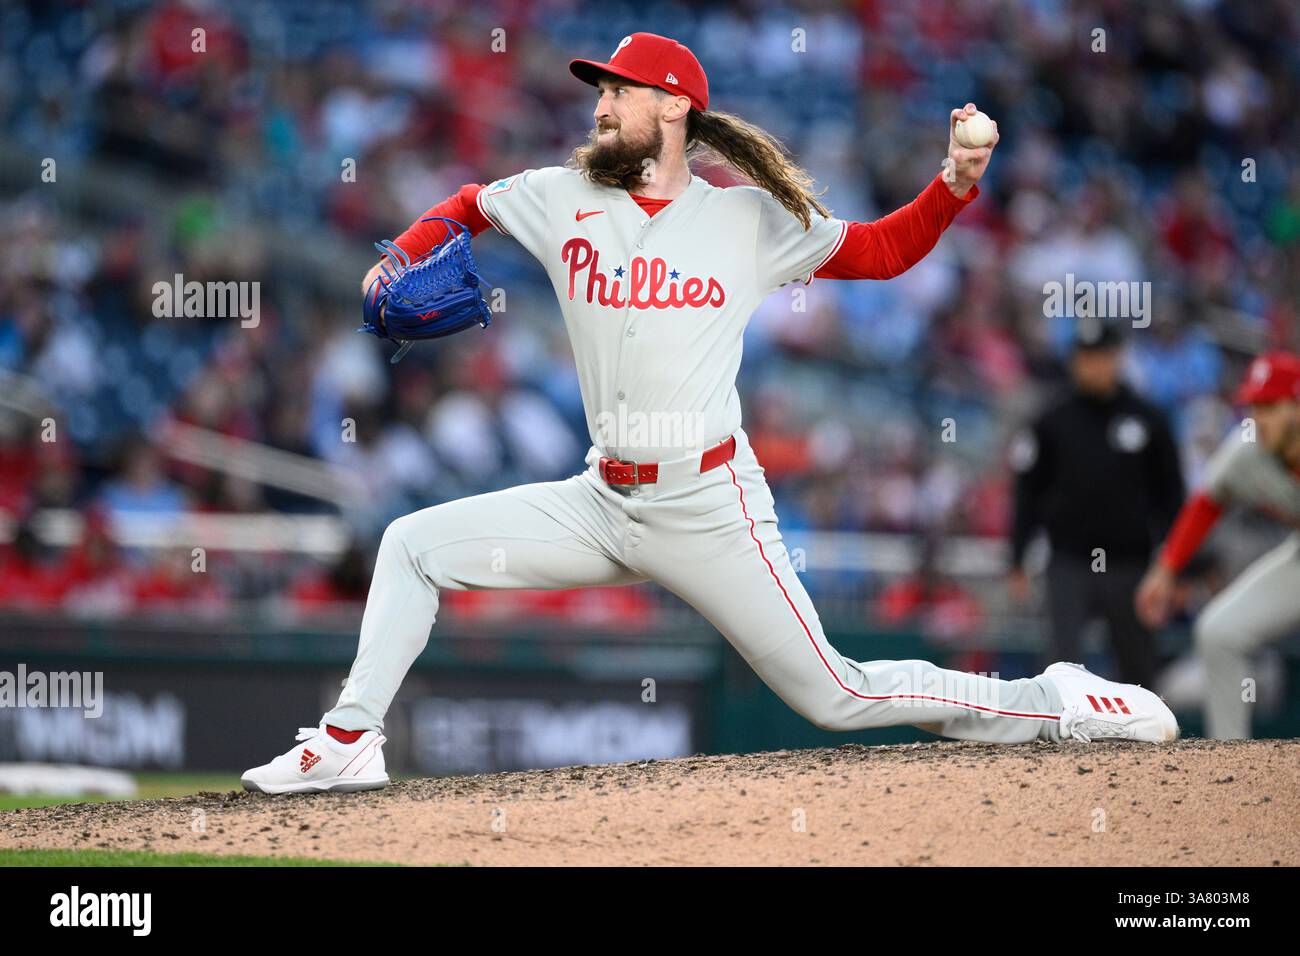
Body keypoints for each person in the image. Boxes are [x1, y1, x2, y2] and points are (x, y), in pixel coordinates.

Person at [242, 33, 1177, 794]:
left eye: (619, 90)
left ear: (674, 107)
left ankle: (1056, 700)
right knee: (408, 543)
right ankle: (350, 740)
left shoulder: (746, 220)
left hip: (708, 505)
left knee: (837, 694)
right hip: (599, 500)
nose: (600, 104)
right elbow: (464, 207)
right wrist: (396, 257)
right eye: (599, 90)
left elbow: (882, 254)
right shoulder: (560, 198)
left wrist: (955, 184)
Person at [1009, 318, 1184, 687]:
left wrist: (1176, 564)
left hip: (1131, 564)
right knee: (1060, 666)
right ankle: (1060, 743)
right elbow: (1027, 492)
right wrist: (1017, 558)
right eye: (1085, 357)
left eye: (1101, 356)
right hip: (1068, 562)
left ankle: (1146, 745)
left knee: (1138, 667)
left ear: (1117, 358)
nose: (1093, 366)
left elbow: (1171, 495)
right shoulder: (1051, 420)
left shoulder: (1147, 418)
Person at [1136, 351, 1300, 739]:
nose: (1258, 419)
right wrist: (1167, 568)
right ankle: (1230, 763)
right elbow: (1207, 502)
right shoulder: (1249, 450)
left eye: (1270, 407)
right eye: (1254, 407)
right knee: (1218, 631)